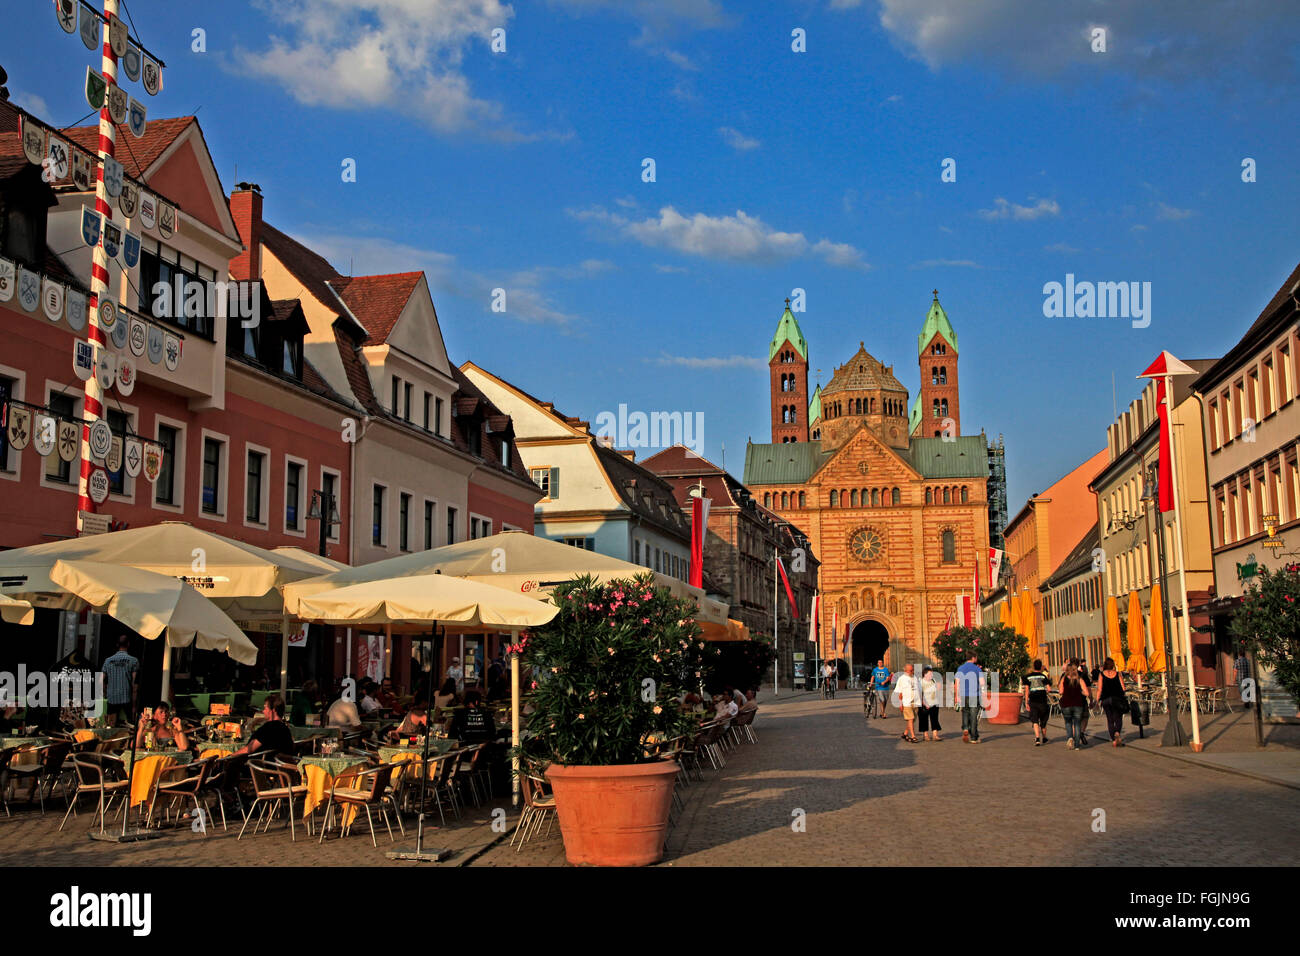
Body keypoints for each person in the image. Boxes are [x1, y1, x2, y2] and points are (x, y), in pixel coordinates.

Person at [101, 637, 139, 727]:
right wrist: (134, 705)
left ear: (117, 645)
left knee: (111, 726)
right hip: (127, 698)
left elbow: (101, 680)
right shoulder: (133, 661)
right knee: (130, 726)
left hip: (112, 698)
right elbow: (134, 685)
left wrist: (106, 693)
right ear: (128, 644)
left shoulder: (107, 661)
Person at [1096, 657, 1128, 747]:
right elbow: (1123, 688)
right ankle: (1117, 732)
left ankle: (1114, 739)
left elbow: (1099, 689)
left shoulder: (1101, 675)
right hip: (1117, 699)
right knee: (1118, 717)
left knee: (1110, 719)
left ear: (1105, 665)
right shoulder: (1118, 674)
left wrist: (1097, 700)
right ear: (1113, 665)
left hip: (1106, 700)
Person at [955, 652, 983, 743]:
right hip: (974, 695)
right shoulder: (977, 669)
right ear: (973, 658)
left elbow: (957, 684)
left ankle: (965, 728)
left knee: (965, 712)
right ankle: (974, 738)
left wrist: (957, 696)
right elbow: (982, 683)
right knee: (973, 716)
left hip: (963, 695)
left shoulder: (960, 668)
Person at [1059, 662, 1088, 750]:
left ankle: (1070, 738)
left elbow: (1060, 691)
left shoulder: (1064, 679)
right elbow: (1086, 693)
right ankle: (1077, 745)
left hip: (1066, 704)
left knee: (1068, 722)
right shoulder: (1080, 679)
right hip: (1078, 704)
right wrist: (1080, 692)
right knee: (1077, 724)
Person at [1023, 659, 1051, 746]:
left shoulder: (1028, 677)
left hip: (1033, 700)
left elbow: (1027, 690)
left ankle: (1037, 738)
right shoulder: (1043, 676)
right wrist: (1044, 692)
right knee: (1043, 720)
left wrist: (1026, 701)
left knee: (1035, 720)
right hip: (1042, 700)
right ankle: (1044, 737)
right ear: (1041, 666)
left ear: (1033, 666)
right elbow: (1049, 689)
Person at [895, 663, 920, 743]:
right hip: (906, 703)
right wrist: (900, 704)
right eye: (910, 670)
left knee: (912, 720)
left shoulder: (915, 678)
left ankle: (905, 733)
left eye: (913, 670)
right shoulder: (901, 679)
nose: (912, 671)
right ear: (905, 671)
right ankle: (913, 736)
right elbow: (899, 693)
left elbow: (919, 689)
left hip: (916, 702)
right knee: (911, 719)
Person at [919, 666, 942, 741]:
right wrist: (924, 703)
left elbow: (937, 690)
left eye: (932, 673)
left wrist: (939, 687)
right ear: (925, 674)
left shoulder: (934, 680)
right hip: (924, 704)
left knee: (934, 719)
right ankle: (925, 735)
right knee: (924, 719)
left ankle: (935, 735)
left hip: (934, 703)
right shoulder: (921, 682)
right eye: (930, 673)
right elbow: (919, 694)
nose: (931, 675)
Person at [1074, 659, 1093, 746]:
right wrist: (1091, 700)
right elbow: (1088, 690)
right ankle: (1081, 732)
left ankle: (1076, 736)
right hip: (1082, 700)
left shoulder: (1066, 675)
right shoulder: (1084, 677)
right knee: (1085, 717)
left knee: (1075, 720)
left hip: (1072, 701)